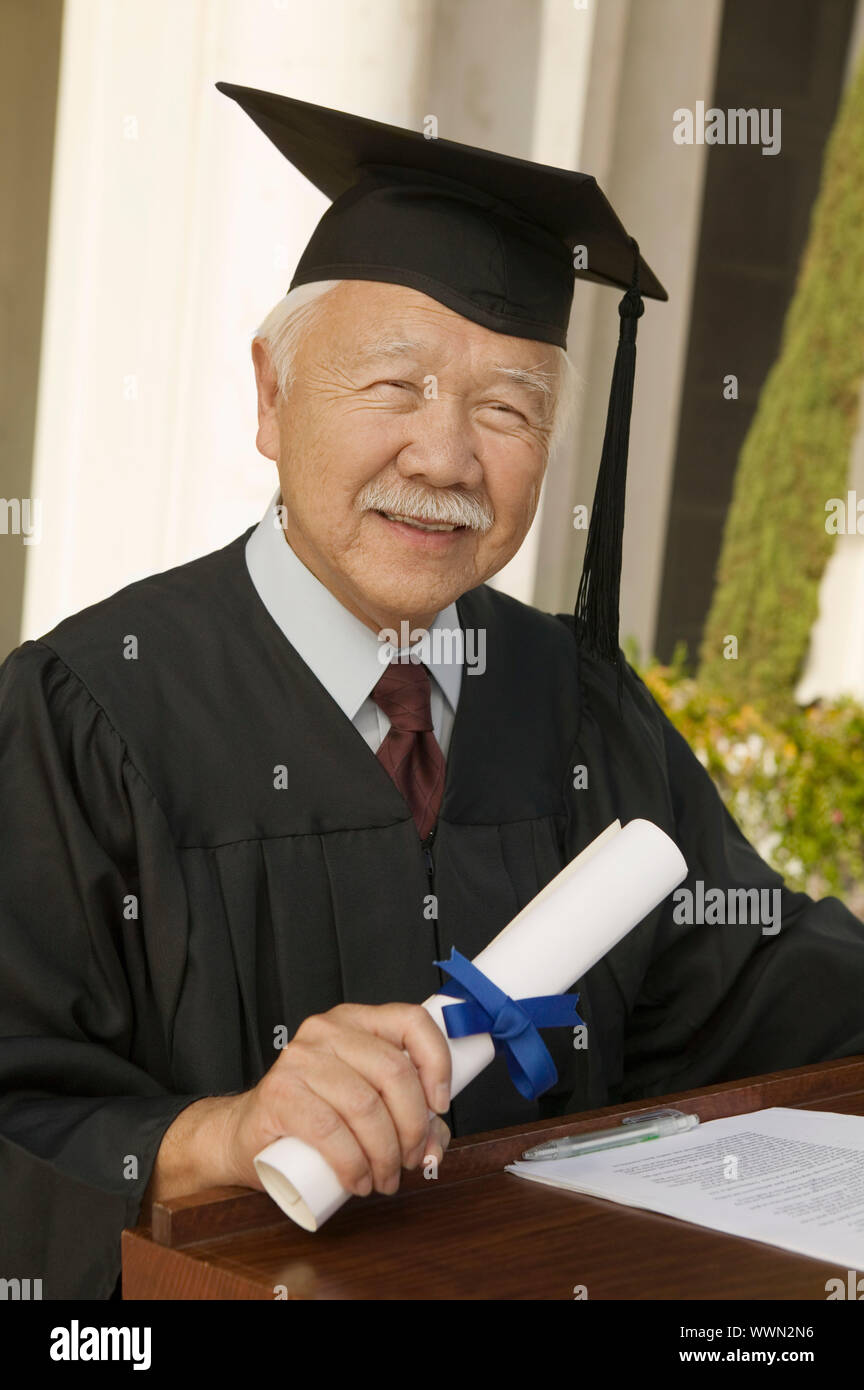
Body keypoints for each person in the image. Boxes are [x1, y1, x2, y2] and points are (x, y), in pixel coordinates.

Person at [1, 85, 862, 1300]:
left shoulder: (577, 704)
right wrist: (219, 1136)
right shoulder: (86, 713)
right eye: (393, 387)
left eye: (507, 408)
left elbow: (766, 992)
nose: (447, 456)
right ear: (271, 398)